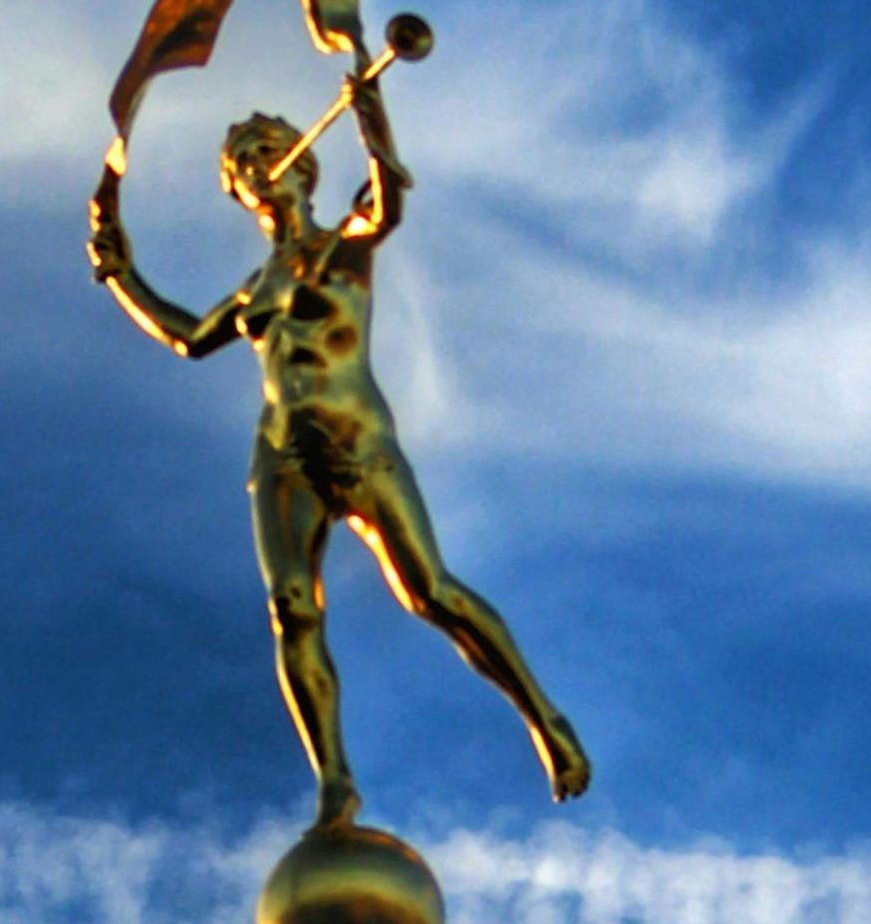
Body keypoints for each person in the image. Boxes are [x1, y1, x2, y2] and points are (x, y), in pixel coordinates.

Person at [88, 70, 590, 829]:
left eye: (265, 149)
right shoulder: (255, 287)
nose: (257, 165)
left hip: (359, 439)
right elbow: (189, 337)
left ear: (302, 161)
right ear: (241, 192)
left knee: (428, 591)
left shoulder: (343, 244)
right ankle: (334, 783)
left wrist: (370, 112)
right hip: (283, 453)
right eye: (243, 163)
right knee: (292, 608)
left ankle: (543, 717)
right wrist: (120, 275)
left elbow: (387, 198)